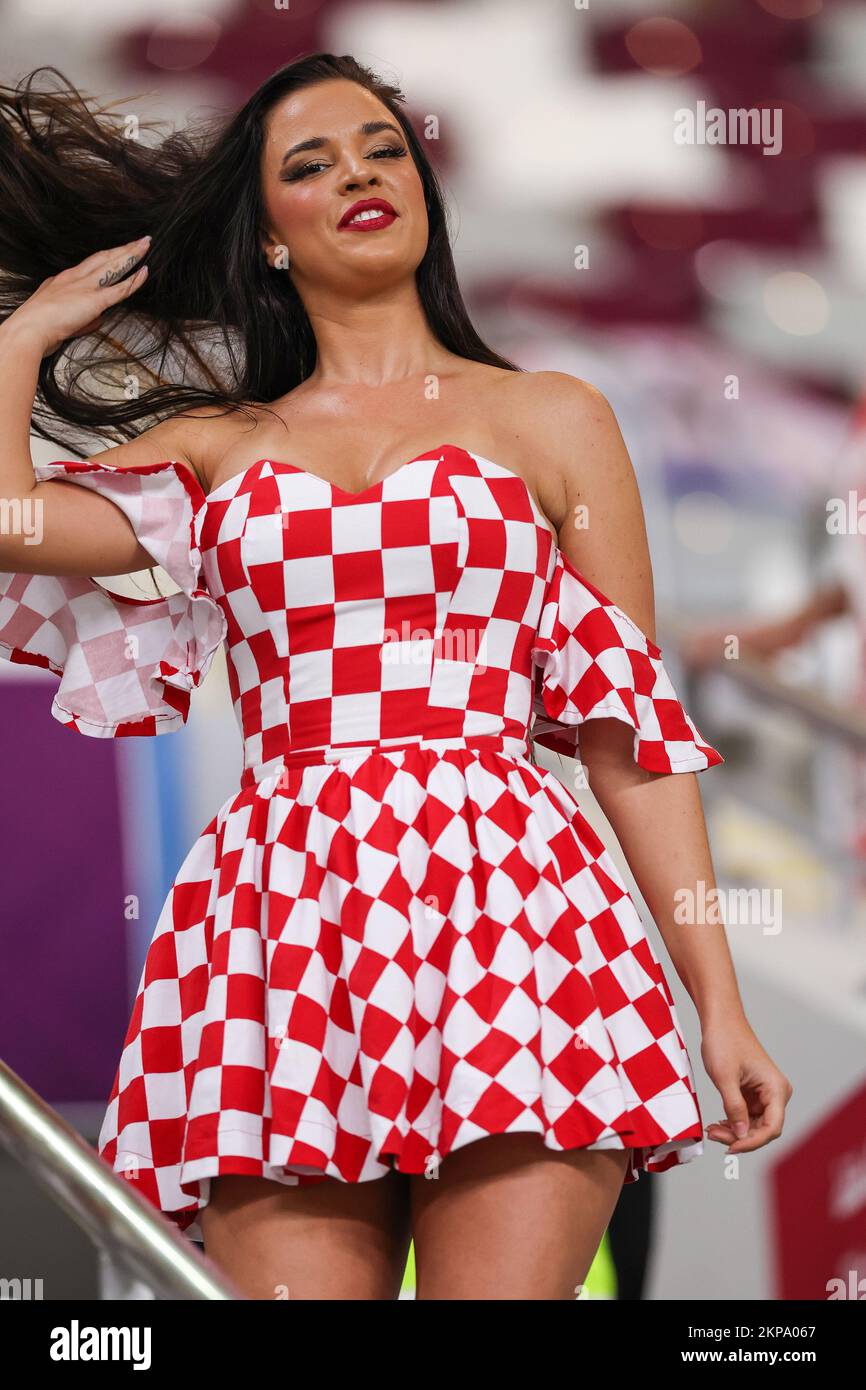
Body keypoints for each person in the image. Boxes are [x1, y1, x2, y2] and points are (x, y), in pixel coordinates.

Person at [0, 53, 792, 1301]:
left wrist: (721, 1004)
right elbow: (16, 524)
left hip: (515, 915)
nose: (358, 174)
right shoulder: (218, 442)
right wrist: (29, 334)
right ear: (265, 237)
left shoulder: (552, 414)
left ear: (422, 192)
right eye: (307, 164)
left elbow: (626, 727)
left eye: (381, 148)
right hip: (282, 923)